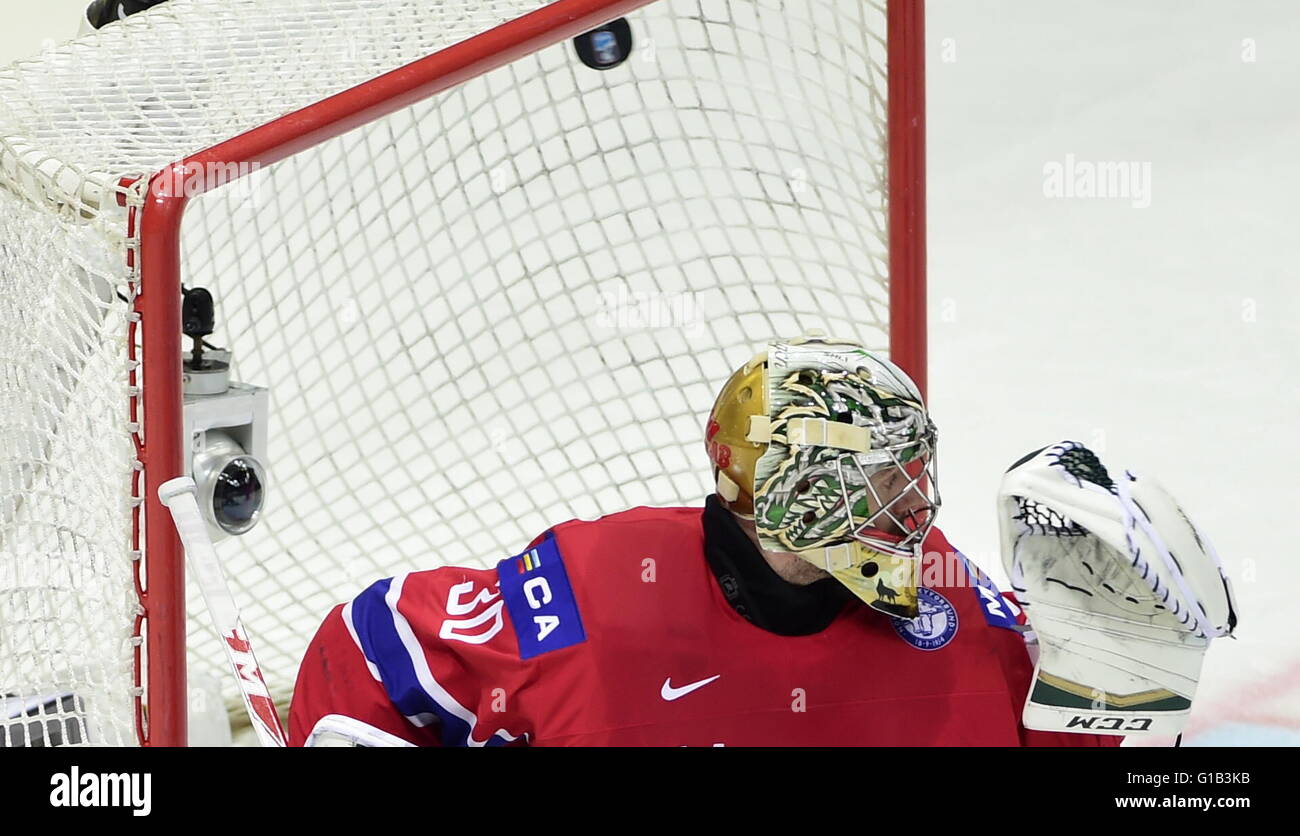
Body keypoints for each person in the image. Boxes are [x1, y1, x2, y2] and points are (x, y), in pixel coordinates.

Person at [288, 335, 1120, 746]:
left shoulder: (946, 601)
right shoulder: (591, 597)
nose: (906, 509)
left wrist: (1129, 682)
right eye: (865, 483)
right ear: (774, 492)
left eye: (907, 475)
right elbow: (371, 642)